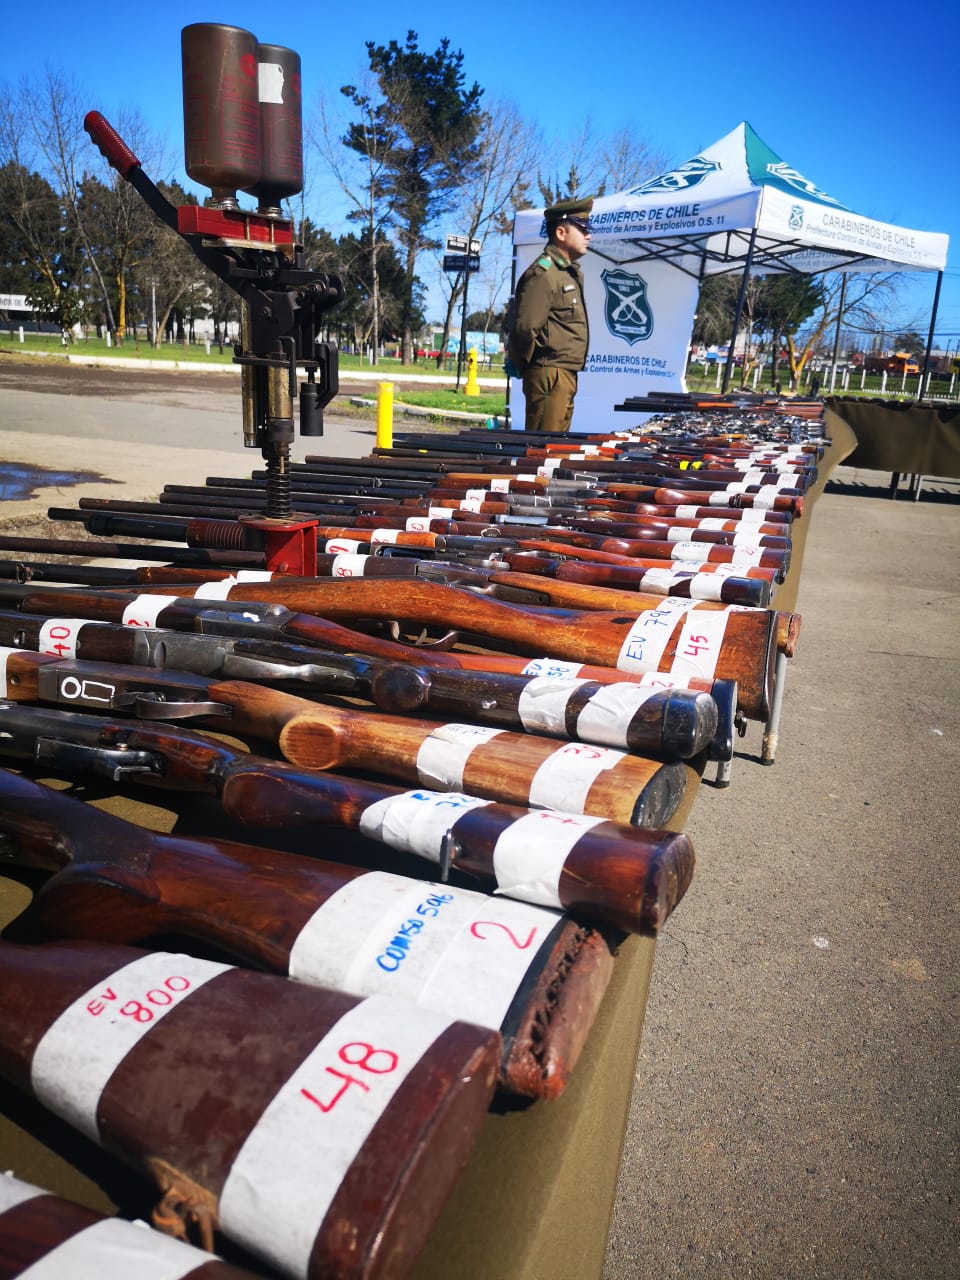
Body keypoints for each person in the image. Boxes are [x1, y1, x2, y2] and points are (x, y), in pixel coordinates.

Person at [507, 196, 593, 433]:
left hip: (562, 373)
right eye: (583, 229)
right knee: (541, 449)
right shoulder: (544, 273)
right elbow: (525, 327)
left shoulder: (566, 274)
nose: (589, 235)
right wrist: (521, 362)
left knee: (555, 451)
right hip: (549, 373)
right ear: (561, 233)